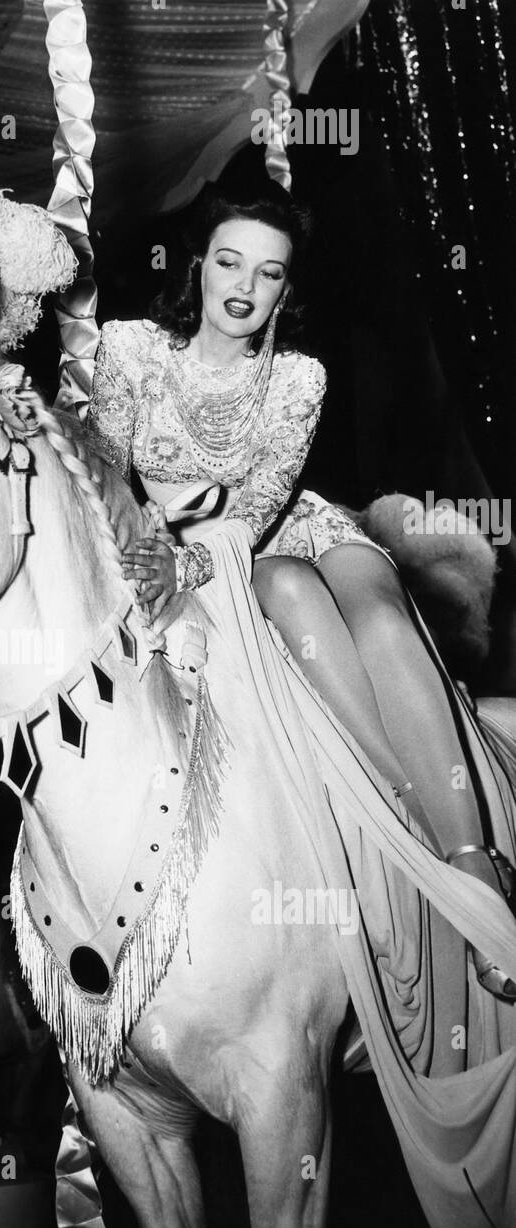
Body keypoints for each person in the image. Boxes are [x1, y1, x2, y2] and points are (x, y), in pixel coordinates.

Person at [87, 186, 516, 1000]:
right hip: (203, 556)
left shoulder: (299, 377)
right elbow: (104, 477)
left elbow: (260, 503)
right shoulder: (129, 348)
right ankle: (407, 829)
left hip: (289, 530)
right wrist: (155, 555)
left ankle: (472, 864)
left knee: (385, 622)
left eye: (269, 272)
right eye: (228, 261)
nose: (245, 286)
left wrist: (193, 563)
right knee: (287, 591)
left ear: (287, 288)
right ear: (199, 265)